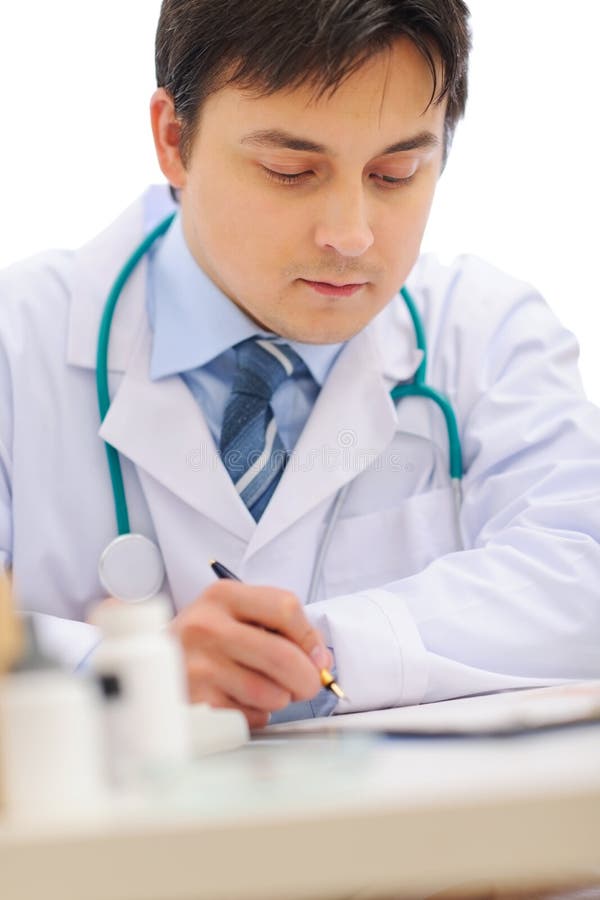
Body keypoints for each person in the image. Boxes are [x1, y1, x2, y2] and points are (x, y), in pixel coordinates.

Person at [1, 0, 599, 729]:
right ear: (173, 138)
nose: (350, 234)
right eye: (290, 171)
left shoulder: (487, 334)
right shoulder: (18, 339)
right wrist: (130, 671)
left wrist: (317, 652)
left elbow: (582, 578)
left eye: (396, 173)